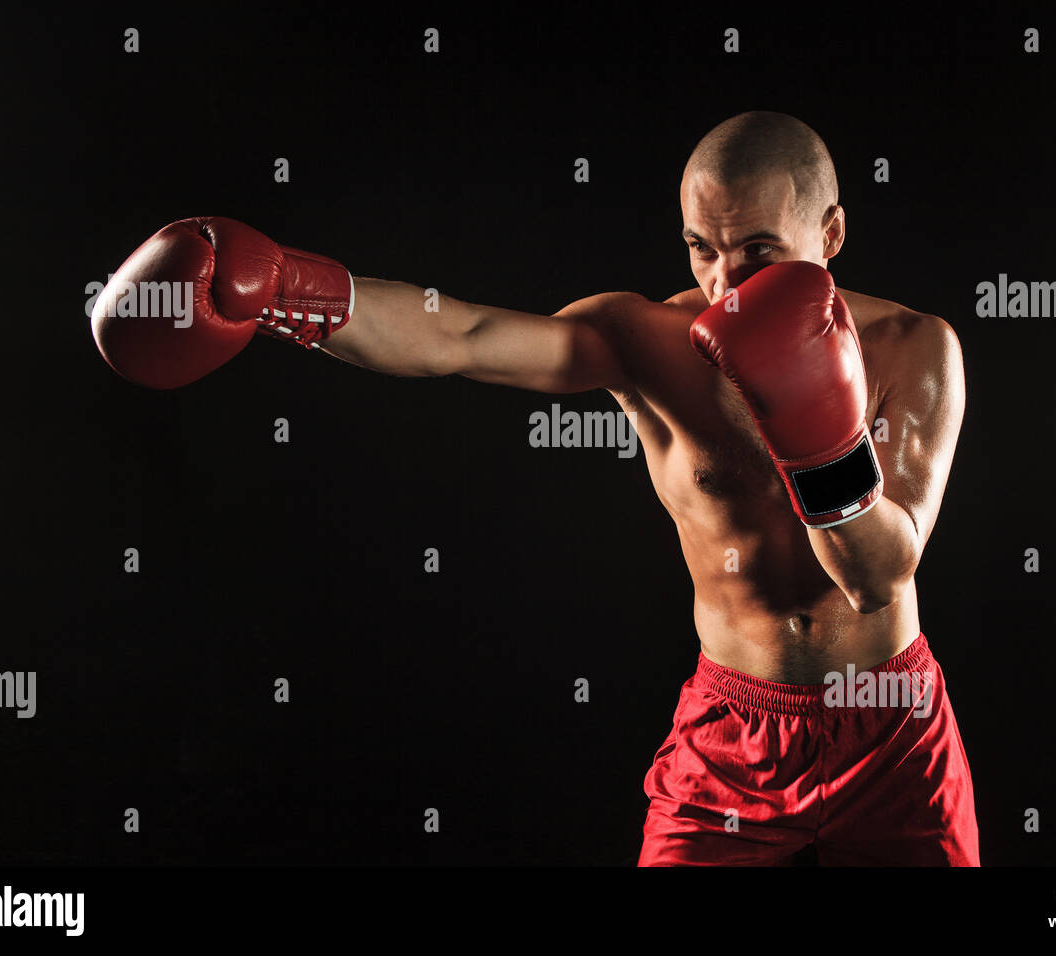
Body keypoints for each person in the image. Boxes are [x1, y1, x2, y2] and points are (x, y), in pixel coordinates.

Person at [91, 110, 978, 866]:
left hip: (891, 723)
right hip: (730, 736)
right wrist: (289, 289)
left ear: (829, 234)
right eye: (703, 249)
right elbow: (464, 336)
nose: (723, 285)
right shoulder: (648, 340)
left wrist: (820, 427)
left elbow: (876, 575)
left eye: (758, 252)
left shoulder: (916, 348)